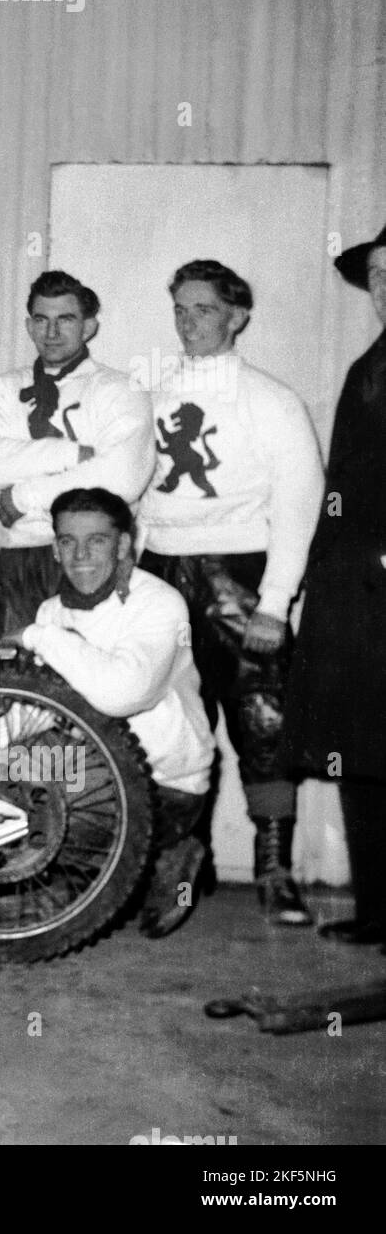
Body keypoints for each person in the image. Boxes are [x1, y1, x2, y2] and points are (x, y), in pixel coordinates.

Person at [139, 259, 323, 926]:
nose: (190, 323)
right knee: (171, 725)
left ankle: (274, 872)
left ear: (237, 316)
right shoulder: (152, 399)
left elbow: (299, 506)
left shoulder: (272, 400)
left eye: (205, 310)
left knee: (262, 725)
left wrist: (274, 603)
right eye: (181, 311)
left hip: (239, 578)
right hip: (162, 574)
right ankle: (188, 863)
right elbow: (134, 503)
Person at [18, 488, 214, 937]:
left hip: (165, 784)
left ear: (124, 544)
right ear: (54, 547)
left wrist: (35, 636)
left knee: (50, 785)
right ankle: (84, 879)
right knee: (12, 765)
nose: (80, 554)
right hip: (94, 775)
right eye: (67, 541)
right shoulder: (53, 612)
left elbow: (122, 693)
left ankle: (169, 852)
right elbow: (33, 709)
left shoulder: (161, 603)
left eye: (98, 541)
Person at [284, 224, 386, 946]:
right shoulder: (368, 366)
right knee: (362, 749)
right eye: (379, 274)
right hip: (355, 597)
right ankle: (379, 910)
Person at [0, 269, 154, 637]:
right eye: (42, 320)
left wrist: (25, 494)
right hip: (21, 554)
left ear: (88, 327)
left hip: (93, 556)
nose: (51, 333)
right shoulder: (8, 388)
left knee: (86, 676)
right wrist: (71, 454)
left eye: (65, 320)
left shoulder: (117, 388)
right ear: (29, 325)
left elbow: (122, 479)